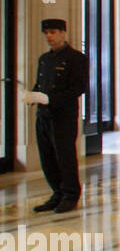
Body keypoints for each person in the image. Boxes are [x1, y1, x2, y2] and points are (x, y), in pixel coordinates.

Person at [25, 19, 89, 213]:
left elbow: (78, 88)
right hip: (43, 116)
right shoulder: (44, 59)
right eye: (46, 33)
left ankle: (70, 194)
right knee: (47, 158)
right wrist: (32, 96)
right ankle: (57, 193)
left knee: (65, 156)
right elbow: (40, 84)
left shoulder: (76, 58)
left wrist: (50, 99)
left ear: (63, 33)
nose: (49, 36)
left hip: (63, 116)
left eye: (53, 32)